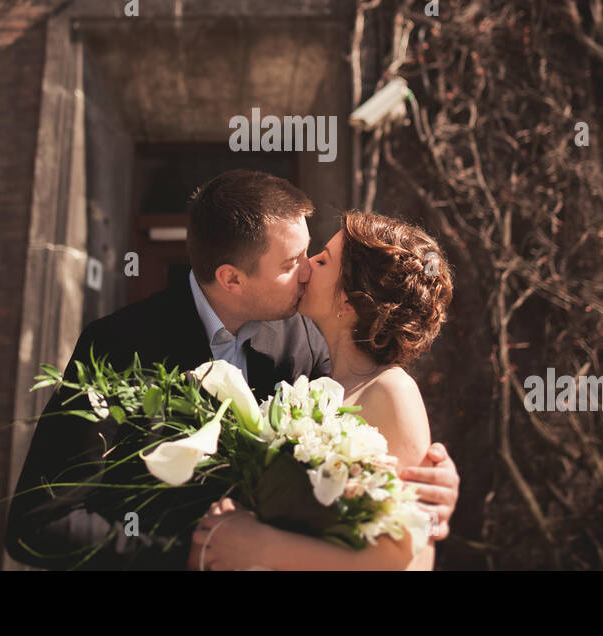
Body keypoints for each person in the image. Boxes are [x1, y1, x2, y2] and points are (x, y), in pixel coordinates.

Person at [4, 169, 460, 569]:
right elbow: (38, 524)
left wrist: (432, 490)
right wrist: (190, 554)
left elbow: (376, 471)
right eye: (292, 262)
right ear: (232, 279)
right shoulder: (117, 347)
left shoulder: (304, 344)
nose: (306, 272)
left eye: (312, 255)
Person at [190, 210, 453, 570]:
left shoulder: (393, 392)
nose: (306, 265)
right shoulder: (316, 383)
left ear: (347, 299)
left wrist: (262, 548)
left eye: (322, 259)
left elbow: (413, 558)